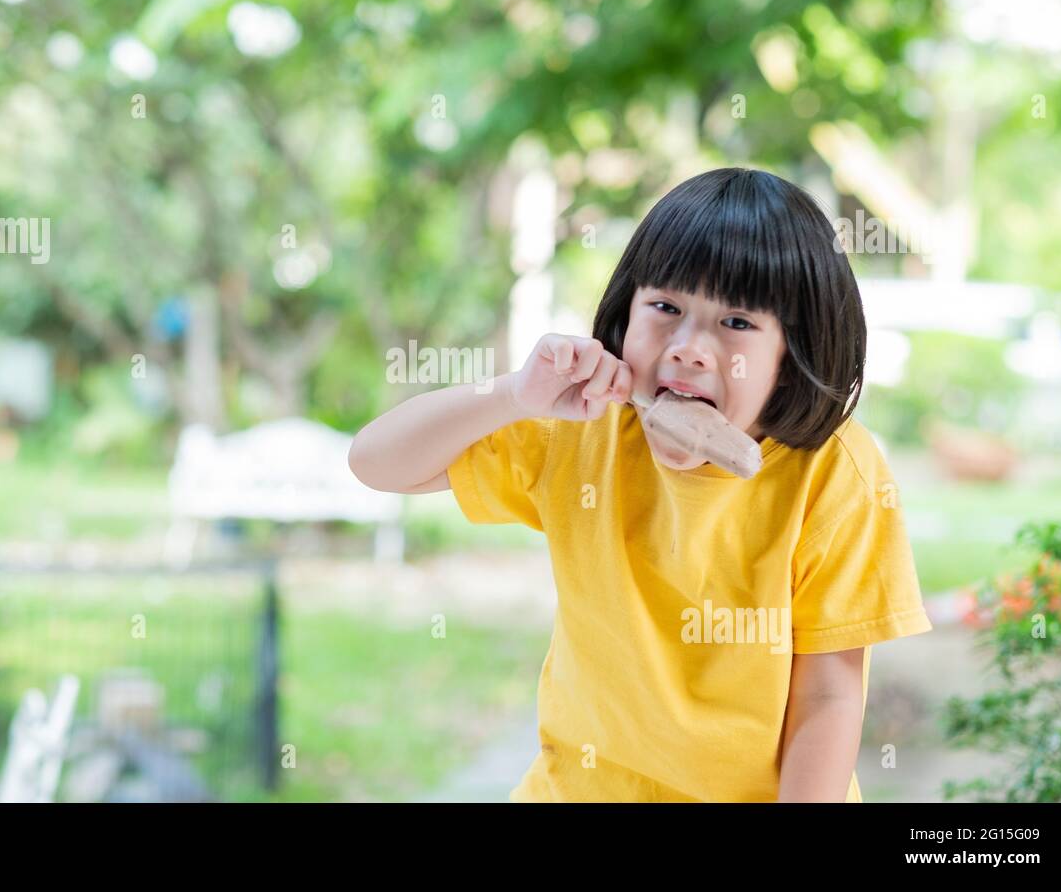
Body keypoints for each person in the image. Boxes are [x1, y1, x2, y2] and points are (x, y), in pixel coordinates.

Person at [349, 167, 933, 802]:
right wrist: (514, 395)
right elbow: (375, 463)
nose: (688, 348)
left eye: (736, 322)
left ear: (792, 356)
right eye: (665, 307)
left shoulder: (835, 472)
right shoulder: (581, 427)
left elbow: (829, 696)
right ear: (624, 312)